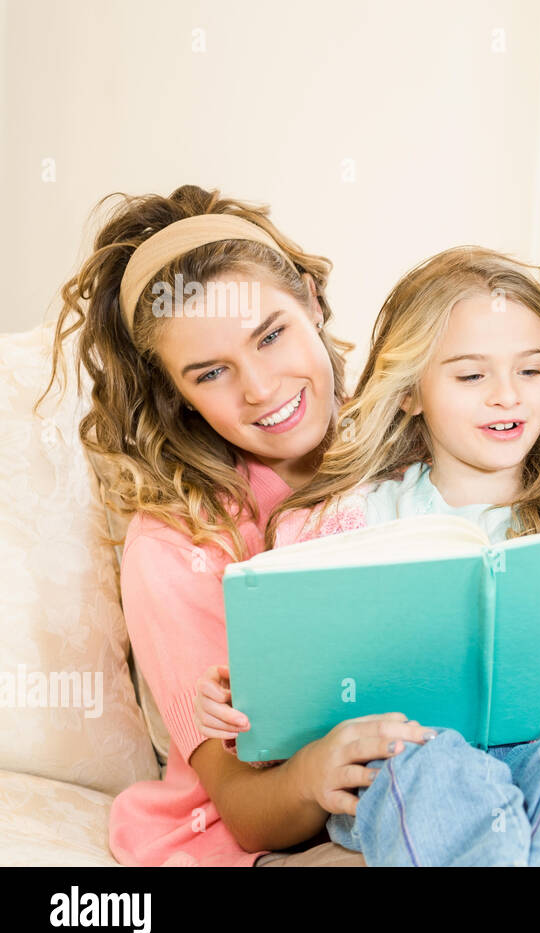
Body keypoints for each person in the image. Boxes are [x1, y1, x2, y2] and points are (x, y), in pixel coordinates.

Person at [193, 246, 540, 865]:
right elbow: (288, 725)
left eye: (530, 370)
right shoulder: (340, 523)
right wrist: (248, 698)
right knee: (421, 759)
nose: (506, 397)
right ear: (411, 392)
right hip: (414, 770)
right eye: (471, 376)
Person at [44, 185, 427, 866]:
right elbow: (248, 815)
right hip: (270, 830)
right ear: (177, 395)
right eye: (212, 373)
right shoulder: (173, 545)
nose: (259, 388)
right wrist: (313, 772)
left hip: (426, 782)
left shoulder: (418, 440)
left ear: (311, 299)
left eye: (271, 335)